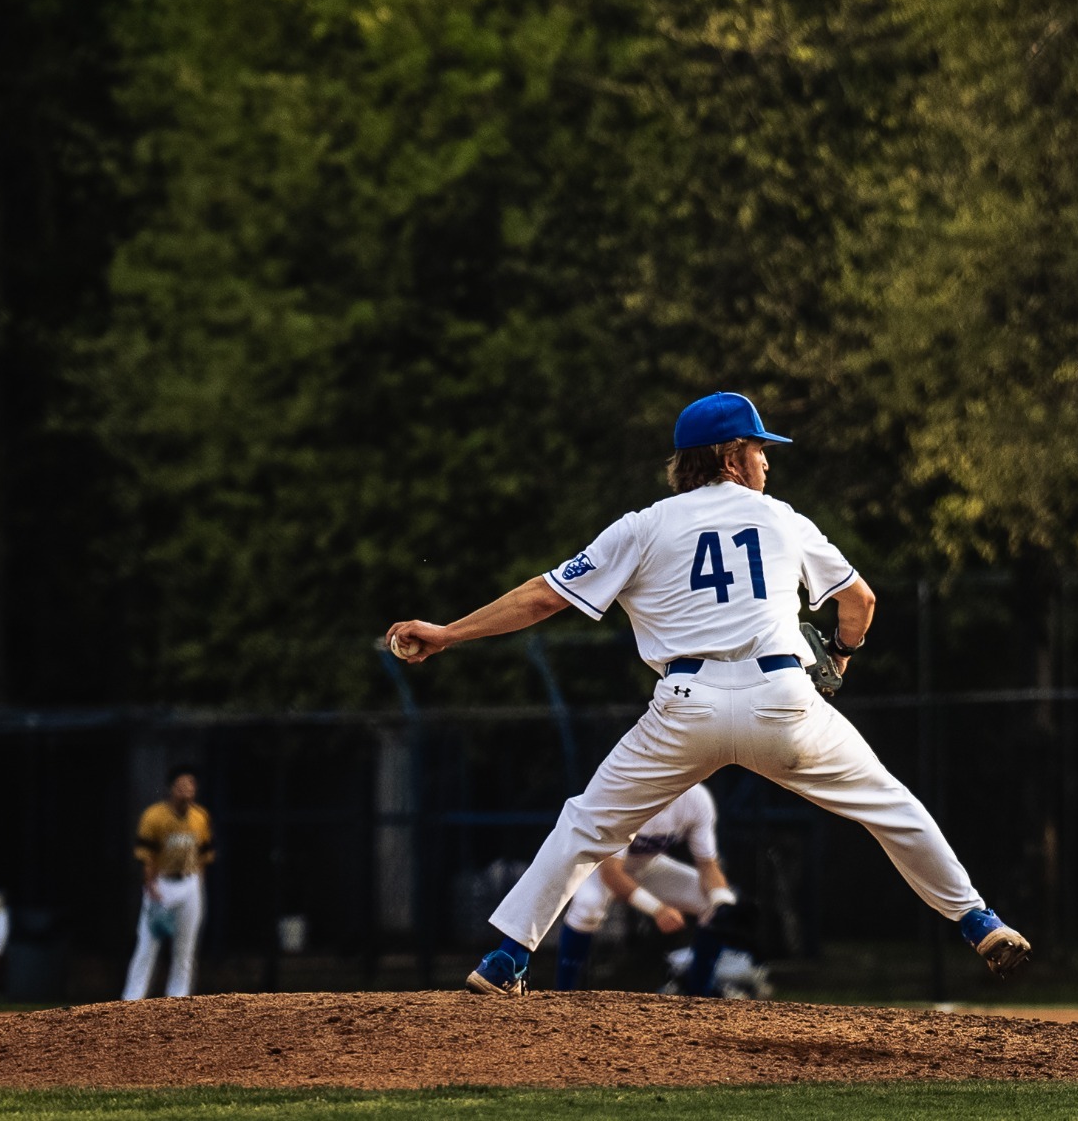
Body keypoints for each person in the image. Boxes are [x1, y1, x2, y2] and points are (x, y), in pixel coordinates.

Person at [385, 390, 1031, 996]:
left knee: (586, 822)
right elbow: (859, 601)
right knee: (889, 803)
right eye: (759, 450)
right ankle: (978, 920)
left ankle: (505, 958)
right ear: (729, 458)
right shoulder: (783, 519)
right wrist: (841, 652)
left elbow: (543, 595)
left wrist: (447, 632)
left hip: (684, 704)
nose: (766, 464)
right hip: (784, 697)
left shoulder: (643, 526)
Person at [553, 783, 742, 995]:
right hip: (597, 864)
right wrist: (657, 909)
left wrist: (723, 904)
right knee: (588, 905)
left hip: (648, 865)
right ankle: (566, 995)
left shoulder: (696, 797)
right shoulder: (624, 793)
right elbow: (611, 873)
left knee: (712, 906)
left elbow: (708, 864)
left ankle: (700, 992)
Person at [122, 766, 213, 1000]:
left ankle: (178, 999)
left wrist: (198, 888)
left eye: (190, 784)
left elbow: (204, 856)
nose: (186, 789)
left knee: (185, 949)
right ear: (170, 788)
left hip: (189, 883)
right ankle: (131, 1000)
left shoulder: (200, 817)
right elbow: (146, 854)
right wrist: (150, 884)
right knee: (146, 946)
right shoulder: (155, 816)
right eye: (181, 784)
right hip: (161, 883)